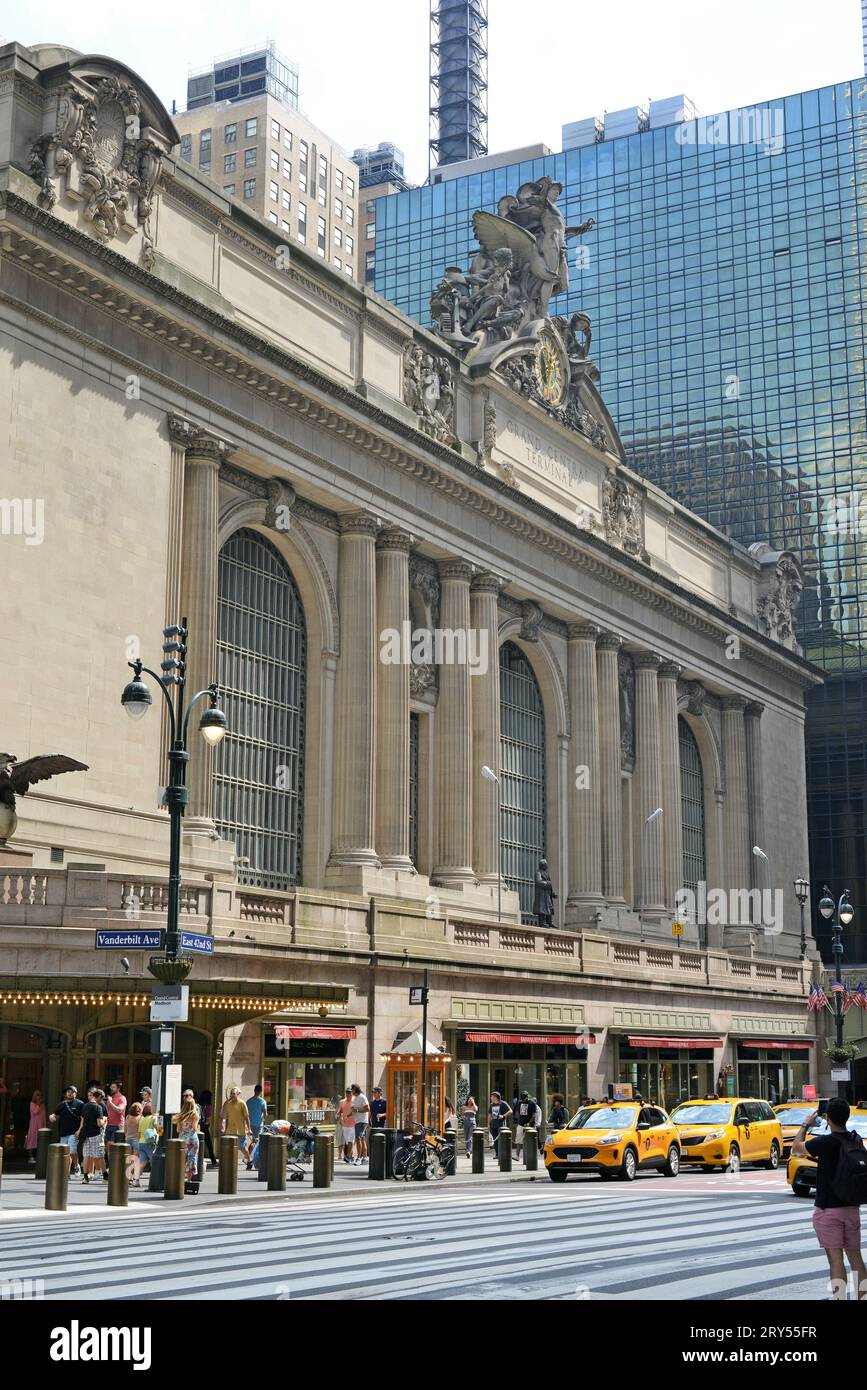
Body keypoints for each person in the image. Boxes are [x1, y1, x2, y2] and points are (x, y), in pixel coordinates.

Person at [792, 1098, 867, 1301]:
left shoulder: (826, 1142)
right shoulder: (855, 1140)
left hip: (829, 1210)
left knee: (836, 1260)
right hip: (851, 1208)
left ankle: (840, 1298)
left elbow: (796, 1148)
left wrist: (805, 1124)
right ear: (847, 1117)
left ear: (828, 1118)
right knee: (856, 1258)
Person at [50, 1086, 84, 1176]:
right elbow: (56, 1115)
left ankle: (76, 1166)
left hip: (74, 1132)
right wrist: (52, 1117)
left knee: (72, 1150)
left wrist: (79, 1130)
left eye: (72, 1092)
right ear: (65, 1094)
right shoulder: (61, 1104)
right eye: (68, 1092)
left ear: (75, 1093)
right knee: (65, 1153)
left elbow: (83, 1118)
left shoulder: (80, 1104)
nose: (70, 1093)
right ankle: (66, 1171)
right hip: (63, 1132)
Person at [77, 1086, 108, 1182]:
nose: (102, 1101)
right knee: (100, 1155)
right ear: (99, 1097)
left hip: (86, 1134)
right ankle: (105, 1176)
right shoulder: (98, 1107)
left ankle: (85, 1177)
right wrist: (104, 1120)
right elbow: (99, 1123)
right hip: (96, 1134)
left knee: (86, 1155)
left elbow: (82, 1120)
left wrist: (79, 1130)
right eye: (101, 1098)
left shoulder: (85, 1106)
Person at [173, 1092, 201, 1187]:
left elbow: (178, 1130)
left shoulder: (180, 1116)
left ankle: (181, 1179)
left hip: (183, 1140)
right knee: (192, 1159)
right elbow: (194, 1128)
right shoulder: (195, 1115)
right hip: (192, 1140)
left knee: (182, 1159)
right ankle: (189, 1180)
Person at [220, 1087, 251, 1163]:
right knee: (229, 1148)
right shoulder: (227, 1104)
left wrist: (249, 1129)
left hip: (240, 1131)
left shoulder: (242, 1103)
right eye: (231, 1093)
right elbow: (224, 1117)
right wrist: (223, 1127)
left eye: (233, 1093)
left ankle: (249, 1160)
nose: (232, 1095)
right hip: (230, 1131)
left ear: (237, 1094)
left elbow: (247, 1118)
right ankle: (230, 1163)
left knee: (243, 1148)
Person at [245, 1085, 268, 1171]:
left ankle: (248, 1158)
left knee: (253, 1141)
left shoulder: (248, 1101)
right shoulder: (262, 1101)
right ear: (261, 1092)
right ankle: (249, 1159)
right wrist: (265, 1116)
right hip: (258, 1125)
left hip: (250, 1124)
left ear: (254, 1091)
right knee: (255, 1142)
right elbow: (265, 1114)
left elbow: (245, 1114)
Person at [488, 1091, 513, 1157]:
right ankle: (497, 1154)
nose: (491, 1098)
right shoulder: (491, 1105)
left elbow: (510, 1111)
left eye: (492, 1097)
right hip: (493, 1125)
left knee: (501, 1140)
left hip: (501, 1125)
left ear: (495, 1097)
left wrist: (503, 1116)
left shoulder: (503, 1103)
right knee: (495, 1140)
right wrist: (488, 1124)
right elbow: (489, 1115)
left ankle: (502, 1154)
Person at [350, 1083, 370, 1165]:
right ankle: (365, 1158)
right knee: (362, 1139)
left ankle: (359, 1158)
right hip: (357, 1121)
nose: (351, 1091)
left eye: (352, 1089)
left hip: (362, 1121)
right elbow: (354, 1109)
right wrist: (349, 1114)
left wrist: (357, 1110)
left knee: (358, 1139)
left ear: (355, 1089)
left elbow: (367, 1108)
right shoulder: (355, 1098)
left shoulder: (362, 1097)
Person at [104, 1080, 127, 1152]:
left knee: (112, 1147)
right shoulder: (110, 1098)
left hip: (118, 1126)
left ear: (118, 1088)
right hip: (108, 1125)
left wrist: (110, 1102)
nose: (111, 1088)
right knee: (107, 1147)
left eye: (113, 1087)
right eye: (111, 1087)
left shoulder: (122, 1098)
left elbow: (119, 1110)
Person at [25, 1090, 46, 1164]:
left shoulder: (43, 1105)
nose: (39, 1096)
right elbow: (35, 1112)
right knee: (32, 1139)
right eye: (38, 1095)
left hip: (41, 1125)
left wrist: (45, 1126)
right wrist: (38, 1104)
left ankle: (39, 1157)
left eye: (40, 1095)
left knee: (40, 1141)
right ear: (34, 1096)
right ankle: (31, 1157)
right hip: (34, 1124)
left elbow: (44, 1116)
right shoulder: (32, 1104)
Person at [198, 1088, 217, 1167]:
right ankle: (213, 1160)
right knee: (209, 1143)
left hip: (198, 1125)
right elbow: (208, 1117)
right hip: (204, 1126)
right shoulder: (208, 1105)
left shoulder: (198, 1104)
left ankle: (198, 1159)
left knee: (198, 1143)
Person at [124, 1102, 142, 1185]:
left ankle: (128, 1178)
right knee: (135, 1161)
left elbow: (125, 1130)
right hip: (137, 1140)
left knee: (129, 1160)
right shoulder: (141, 1118)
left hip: (128, 1139)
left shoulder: (127, 1117)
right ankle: (134, 1178)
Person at [513, 1091, 534, 1159]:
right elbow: (517, 1112)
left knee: (528, 1141)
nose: (524, 1100)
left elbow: (534, 1115)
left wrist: (529, 1123)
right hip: (520, 1124)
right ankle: (517, 1156)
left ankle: (529, 1157)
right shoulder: (519, 1103)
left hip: (529, 1126)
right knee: (518, 1140)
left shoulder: (531, 1103)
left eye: (524, 1098)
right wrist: (517, 1120)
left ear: (527, 1097)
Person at [338, 1088, 356, 1164]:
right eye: (347, 1093)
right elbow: (339, 1111)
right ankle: (351, 1156)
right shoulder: (342, 1102)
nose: (348, 1094)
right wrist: (340, 1119)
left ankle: (348, 1156)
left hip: (353, 1124)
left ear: (352, 1093)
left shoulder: (355, 1101)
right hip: (345, 1125)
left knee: (350, 1141)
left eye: (350, 1093)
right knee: (347, 1142)